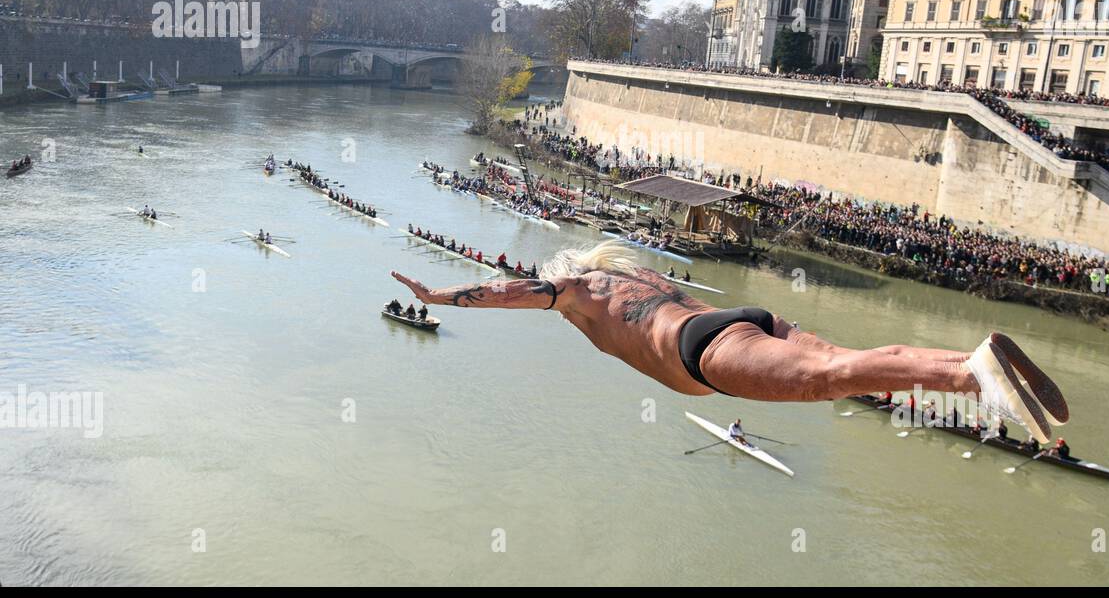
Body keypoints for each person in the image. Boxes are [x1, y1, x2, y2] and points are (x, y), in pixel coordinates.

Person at [391, 240, 1068, 440]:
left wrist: (438, 297)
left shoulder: (574, 293)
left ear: (562, 277)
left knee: (837, 379)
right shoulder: (630, 272)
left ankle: (976, 378)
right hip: (742, 319)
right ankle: (970, 363)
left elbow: (507, 290)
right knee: (843, 366)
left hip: (705, 355)